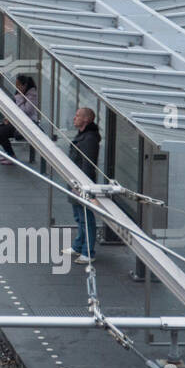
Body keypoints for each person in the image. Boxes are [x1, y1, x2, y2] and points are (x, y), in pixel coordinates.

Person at [69, 107, 102, 263]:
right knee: (79, 216)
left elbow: (88, 165)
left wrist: (81, 186)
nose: (74, 118)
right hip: (75, 182)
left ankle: (88, 252)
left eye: (77, 116)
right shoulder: (83, 135)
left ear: (86, 119)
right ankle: (78, 246)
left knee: (85, 218)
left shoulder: (89, 139)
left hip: (82, 185)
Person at [0, 75, 38, 165]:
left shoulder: (32, 95)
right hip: (17, 122)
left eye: (19, 85)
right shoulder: (20, 93)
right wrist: (8, 118)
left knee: (0, 133)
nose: (17, 87)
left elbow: (26, 111)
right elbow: (14, 109)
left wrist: (19, 97)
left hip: (27, 123)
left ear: (25, 85)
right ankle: (9, 154)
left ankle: (12, 156)